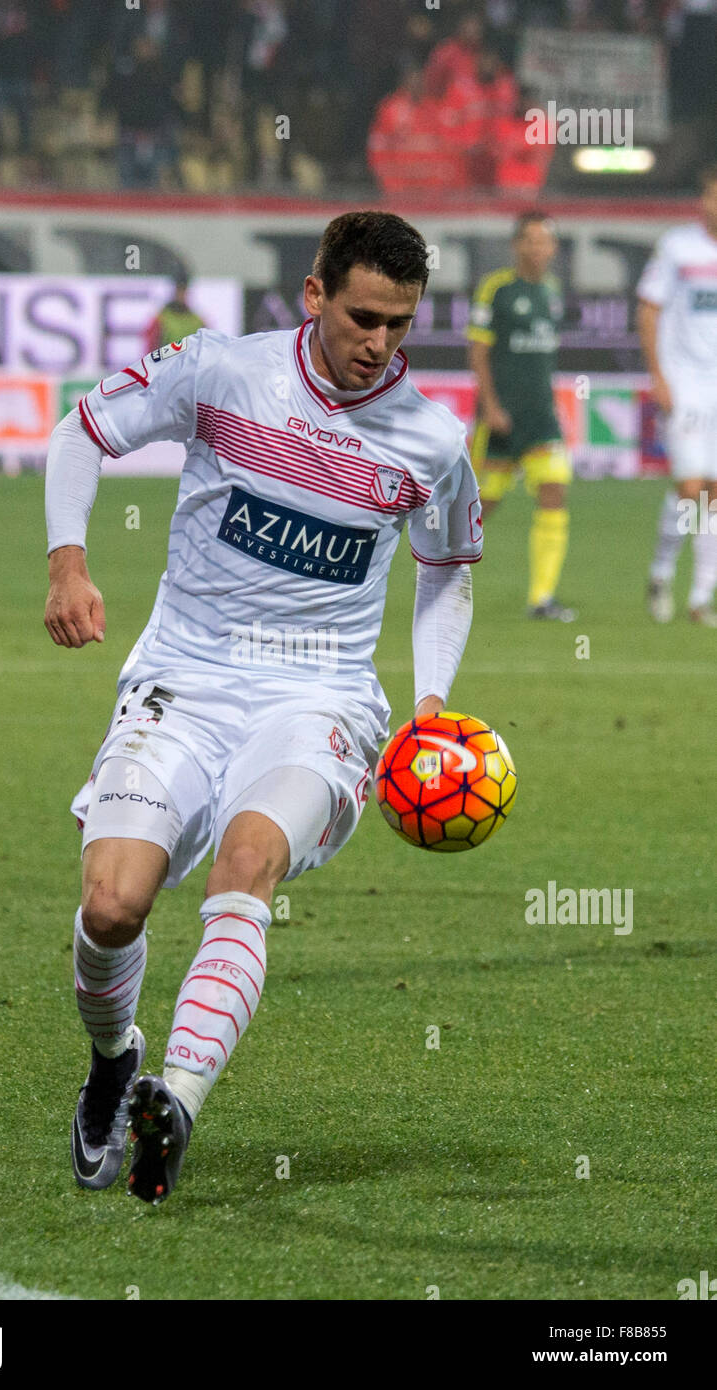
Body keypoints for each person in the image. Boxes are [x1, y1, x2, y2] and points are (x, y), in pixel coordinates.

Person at [43, 211, 482, 1204]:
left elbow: (448, 566)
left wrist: (426, 705)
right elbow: (83, 431)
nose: (378, 343)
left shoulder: (428, 437)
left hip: (318, 695)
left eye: (399, 325)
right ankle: (116, 1060)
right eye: (363, 315)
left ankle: (175, 1100)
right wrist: (68, 563)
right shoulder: (220, 370)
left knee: (248, 862)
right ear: (314, 294)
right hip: (183, 679)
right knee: (111, 907)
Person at [467, 212, 575, 620]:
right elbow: (478, 352)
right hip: (501, 417)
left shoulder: (553, 291)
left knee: (554, 491)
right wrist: (491, 406)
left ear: (553, 247)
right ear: (516, 245)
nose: (537, 247)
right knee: (485, 503)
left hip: (540, 418)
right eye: (529, 240)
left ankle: (542, 599)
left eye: (544, 240)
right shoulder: (497, 290)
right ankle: (437, 566)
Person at [638, 165, 717, 626]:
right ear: (701, 200)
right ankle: (662, 574)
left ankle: (699, 597)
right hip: (684, 383)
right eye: (711, 195)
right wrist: (659, 377)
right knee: (689, 489)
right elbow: (649, 310)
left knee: (713, 495)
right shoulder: (677, 246)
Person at [144, 277, 206, 354]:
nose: (181, 295)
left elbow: (206, 348)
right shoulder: (161, 320)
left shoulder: (197, 321)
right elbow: (151, 350)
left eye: (184, 291)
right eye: (179, 291)